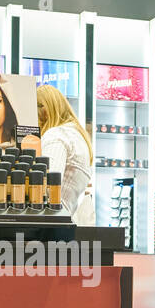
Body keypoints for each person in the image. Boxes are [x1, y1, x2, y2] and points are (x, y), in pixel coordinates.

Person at [36, 84, 95, 225]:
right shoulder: (78, 136)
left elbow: (48, 186)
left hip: (49, 226)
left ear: (43, 111)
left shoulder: (56, 135)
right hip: (64, 224)